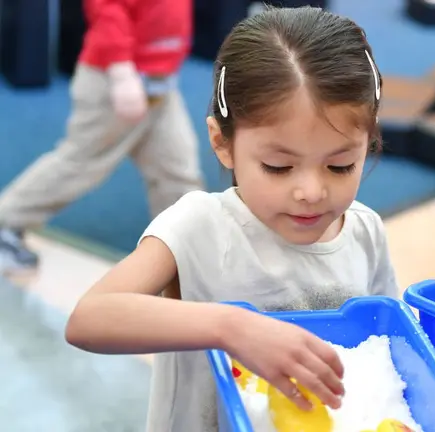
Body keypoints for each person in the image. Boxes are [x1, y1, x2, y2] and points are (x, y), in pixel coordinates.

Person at [65, 6, 397, 432]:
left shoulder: (365, 231)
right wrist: (229, 325)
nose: (312, 191)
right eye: (279, 167)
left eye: (340, 166)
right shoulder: (199, 226)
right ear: (223, 144)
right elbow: (89, 319)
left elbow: (386, 344)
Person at [0, 0, 204, 275]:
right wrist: (121, 74)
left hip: (161, 83)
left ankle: (187, 250)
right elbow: (107, 9)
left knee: (176, 170)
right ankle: (5, 224)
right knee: (81, 162)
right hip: (117, 80)